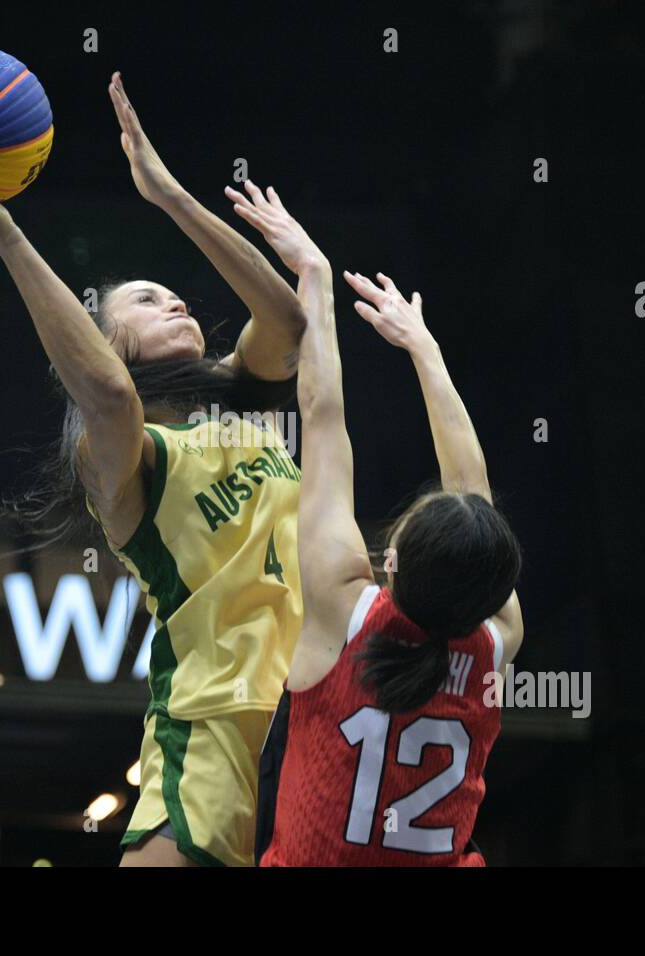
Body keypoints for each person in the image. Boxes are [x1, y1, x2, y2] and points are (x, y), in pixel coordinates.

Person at [0, 73, 306, 867]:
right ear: (110, 344)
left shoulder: (242, 410)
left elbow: (286, 320)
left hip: (316, 714)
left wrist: (170, 197)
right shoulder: (118, 456)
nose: (179, 303)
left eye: (176, 296)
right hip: (214, 732)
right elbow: (108, 394)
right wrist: (5, 234)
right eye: (148, 302)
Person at [226, 185, 524, 866]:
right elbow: (472, 498)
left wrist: (316, 280)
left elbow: (323, 418)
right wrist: (424, 350)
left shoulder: (343, 614)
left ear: (389, 561)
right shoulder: (496, 641)